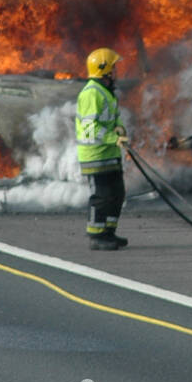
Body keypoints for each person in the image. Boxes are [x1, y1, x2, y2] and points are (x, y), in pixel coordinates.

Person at [76, 48, 130, 250]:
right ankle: (96, 236)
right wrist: (113, 138)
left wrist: (119, 128)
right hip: (96, 155)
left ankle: (108, 233)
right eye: (113, 67)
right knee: (103, 196)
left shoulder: (106, 92)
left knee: (117, 193)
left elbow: (109, 120)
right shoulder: (92, 93)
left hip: (109, 154)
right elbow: (90, 130)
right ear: (104, 69)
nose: (116, 71)